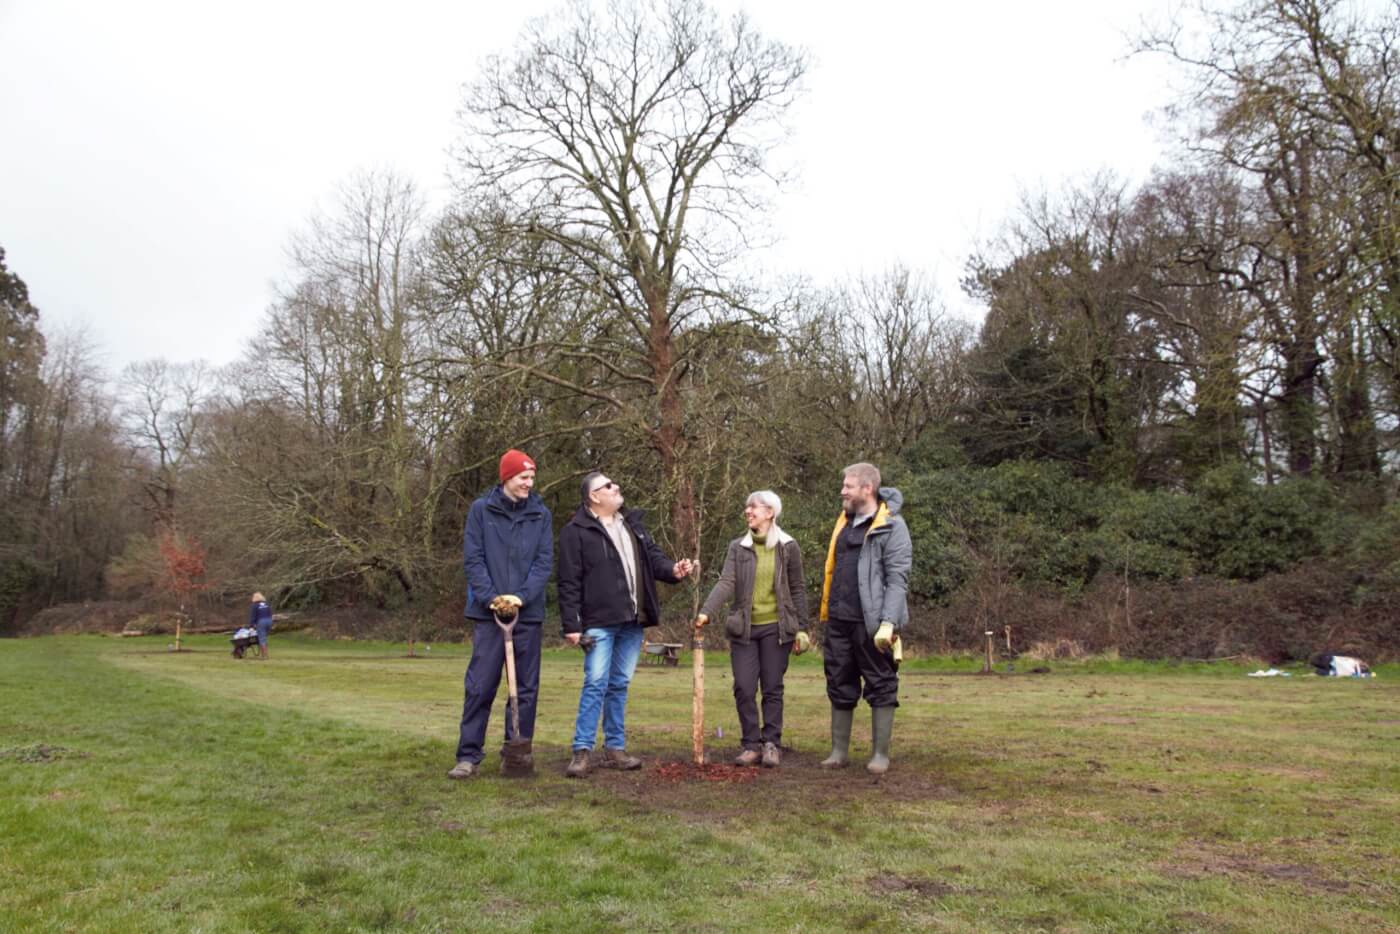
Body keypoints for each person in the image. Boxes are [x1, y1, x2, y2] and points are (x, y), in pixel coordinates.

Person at [558, 471, 696, 778]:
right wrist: (572, 624)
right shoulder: (575, 532)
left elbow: (654, 560)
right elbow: (568, 582)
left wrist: (674, 569)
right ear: (594, 496)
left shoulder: (633, 524)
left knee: (619, 684)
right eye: (607, 485)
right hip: (598, 623)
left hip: (633, 622)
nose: (616, 486)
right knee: (595, 684)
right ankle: (581, 751)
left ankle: (615, 749)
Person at [447, 449, 554, 780]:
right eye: (523, 477)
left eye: (532, 477)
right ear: (507, 477)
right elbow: (473, 559)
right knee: (480, 686)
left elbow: (543, 562)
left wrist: (520, 597)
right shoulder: (482, 511)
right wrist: (492, 598)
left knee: (524, 689)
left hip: (527, 614)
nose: (529, 483)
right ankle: (469, 756)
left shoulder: (540, 514)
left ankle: (516, 755)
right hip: (488, 614)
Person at [696, 490, 810, 768]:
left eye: (754, 507)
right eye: (746, 507)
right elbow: (726, 581)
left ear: (770, 512)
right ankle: (751, 745)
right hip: (744, 630)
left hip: (777, 628)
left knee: (772, 687)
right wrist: (706, 612)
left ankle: (771, 744)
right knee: (744, 688)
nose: (748, 511)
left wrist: (803, 628)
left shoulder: (788, 546)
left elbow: (797, 588)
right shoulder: (738, 547)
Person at [818, 462, 911, 774]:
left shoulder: (892, 526)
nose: (842, 491)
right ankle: (838, 752)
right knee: (839, 682)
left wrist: (888, 622)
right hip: (839, 621)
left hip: (873, 625)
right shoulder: (843, 523)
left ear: (867, 489)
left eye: (848, 486)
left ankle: (880, 755)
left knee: (881, 683)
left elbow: (898, 580)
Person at [249, 592, 273, 660]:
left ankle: (264, 656)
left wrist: (251, 626)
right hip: (269, 621)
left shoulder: (255, 605)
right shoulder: (266, 604)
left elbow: (253, 617)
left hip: (261, 622)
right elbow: (270, 613)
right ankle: (266, 654)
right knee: (265, 638)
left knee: (262, 638)